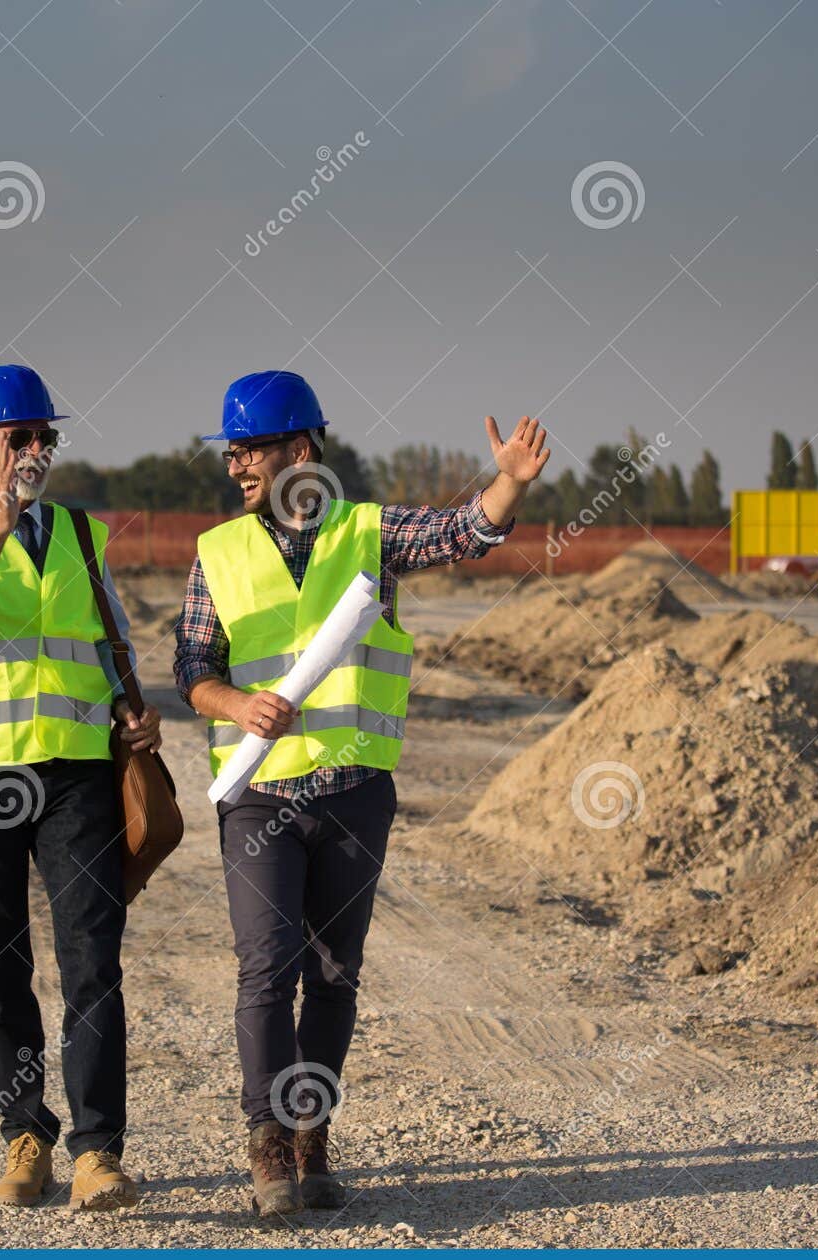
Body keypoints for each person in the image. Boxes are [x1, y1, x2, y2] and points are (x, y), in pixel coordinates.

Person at [173, 369, 549, 1217]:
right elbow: (193, 668)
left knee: (335, 977)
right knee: (267, 968)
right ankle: (266, 1141)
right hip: (260, 796)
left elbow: (463, 532)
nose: (236, 465)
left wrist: (509, 485)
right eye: (229, 452)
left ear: (299, 450)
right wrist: (237, 704)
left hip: (353, 793)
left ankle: (312, 1136)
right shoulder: (218, 553)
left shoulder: (369, 532)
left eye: (249, 449)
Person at [0, 363, 160, 1212]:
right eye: (17, 437)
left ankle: (98, 1150)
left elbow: (113, 638)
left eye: (42, 436)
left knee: (93, 960)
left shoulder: (82, 538)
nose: (32, 451)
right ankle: (25, 1136)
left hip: (75, 773)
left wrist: (133, 713)